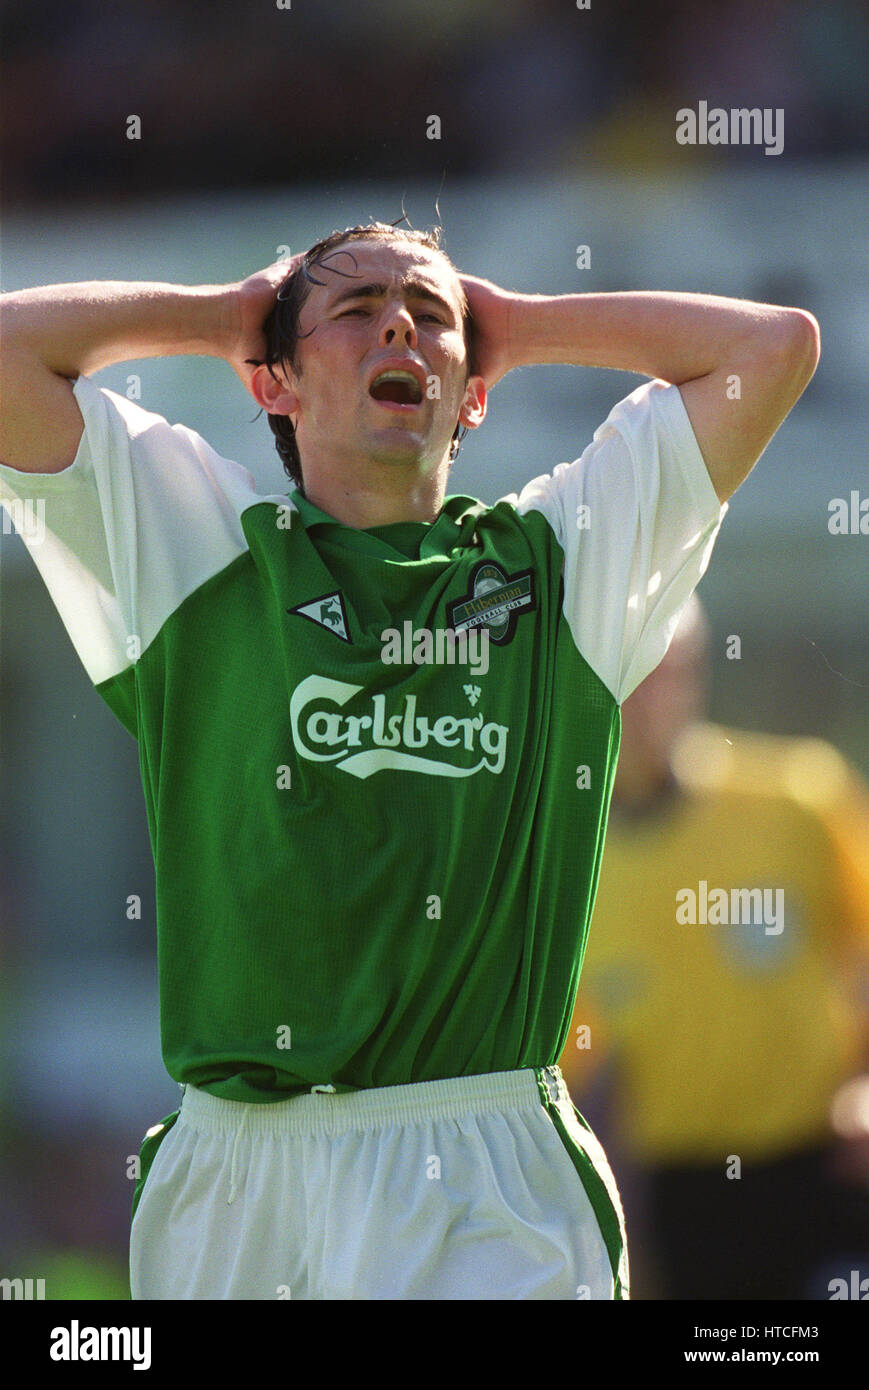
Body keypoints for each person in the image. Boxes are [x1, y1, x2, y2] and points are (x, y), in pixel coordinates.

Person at [0, 220, 819, 1300]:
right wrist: (218, 316)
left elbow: (772, 347)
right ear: (275, 383)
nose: (400, 322)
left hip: (485, 1178)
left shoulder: (560, 557)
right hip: (241, 1184)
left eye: (432, 316)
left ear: (470, 392)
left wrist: (516, 326)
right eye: (354, 308)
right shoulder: (194, 540)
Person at [560, 597, 869, 1300]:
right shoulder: (565, 861)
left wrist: (862, 1086)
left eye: (666, 672)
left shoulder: (796, 797)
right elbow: (568, 1072)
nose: (645, 699)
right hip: (675, 1193)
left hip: (824, 1165)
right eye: (625, 674)